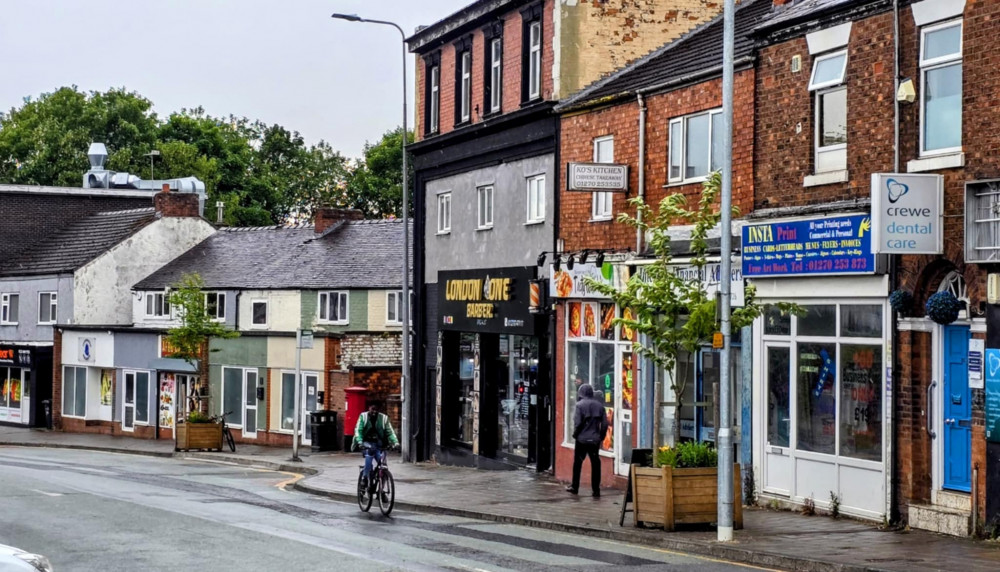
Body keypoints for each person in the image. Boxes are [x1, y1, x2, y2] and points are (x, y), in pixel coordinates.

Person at [567, 383, 609, 498]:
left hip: (581, 439)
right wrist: (601, 437)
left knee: (578, 463)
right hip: (594, 440)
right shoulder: (600, 406)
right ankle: (596, 490)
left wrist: (576, 434)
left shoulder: (579, 405)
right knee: (595, 464)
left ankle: (575, 487)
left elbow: (578, 422)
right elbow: (605, 424)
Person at [352, 403, 399, 494]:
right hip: (366, 442)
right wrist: (360, 442)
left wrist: (395, 443)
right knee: (369, 453)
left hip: (378, 443)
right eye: (372, 409)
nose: (373, 411)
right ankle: (364, 478)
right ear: (368, 408)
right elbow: (358, 430)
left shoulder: (383, 418)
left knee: (383, 466)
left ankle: (381, 492)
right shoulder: (363, 417)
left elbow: (390, 431)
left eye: (375, 409)